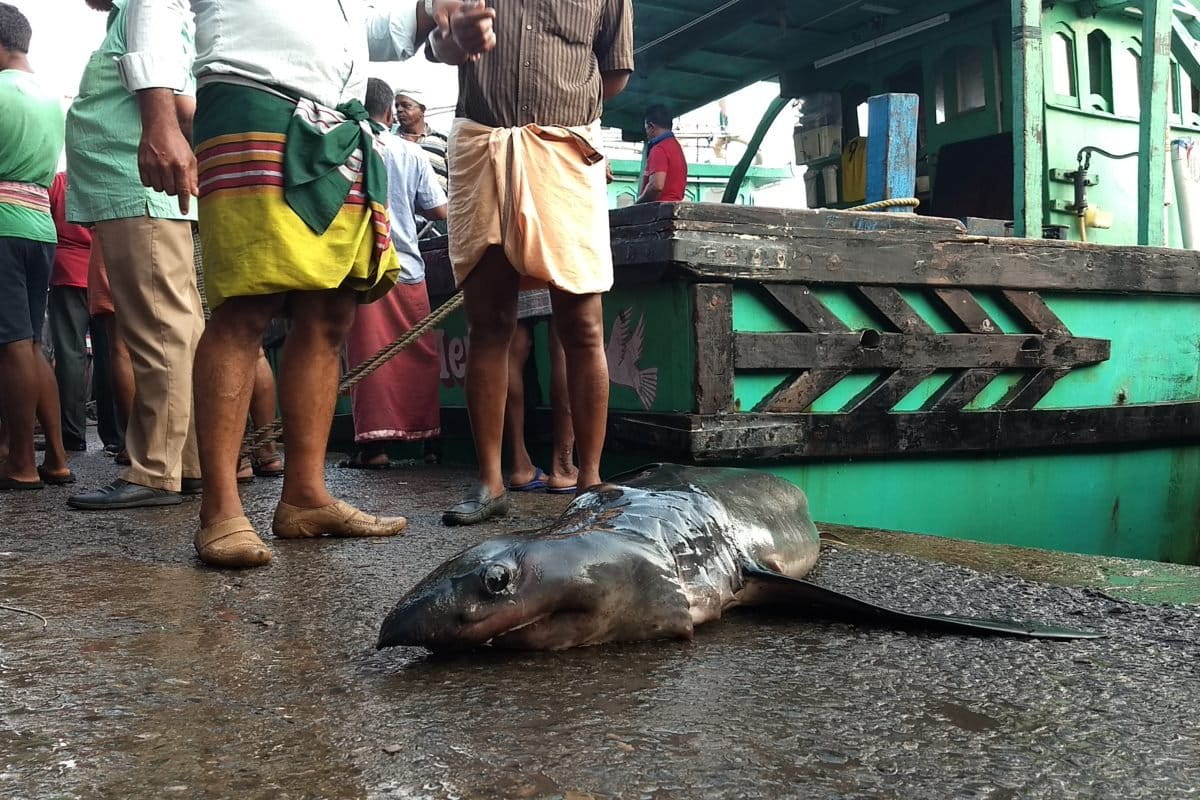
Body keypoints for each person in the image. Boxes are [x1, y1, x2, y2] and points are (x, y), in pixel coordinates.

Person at [123, 0, 488, 568]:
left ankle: (305, 496)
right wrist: (158, 116)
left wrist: (429, 18)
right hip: (250, 103)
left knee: (330, 314)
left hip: (336, 125)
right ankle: (220, 509)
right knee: (246, 306)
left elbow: (358, 26)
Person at [430, 0, 634, 525]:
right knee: (489, 324)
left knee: (583, 324)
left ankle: (589, 479)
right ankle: (490, 483)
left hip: (565, 151)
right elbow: (437, 46)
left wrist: (554, 114)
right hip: (483, 145)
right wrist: (453, 39)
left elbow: (613, 74)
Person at [65, 0, 205, 511]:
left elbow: (183, 102)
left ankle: (155, 470)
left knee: (158, 334)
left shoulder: (148, 12)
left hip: (139, 190)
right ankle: (184, 465)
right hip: (139, 193)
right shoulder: (135, 16)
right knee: (177, 331)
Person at [340, 78, 447, 470]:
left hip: (363, 268)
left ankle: (375, 448)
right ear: (388, 112)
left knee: (369, 359)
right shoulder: (411, 153)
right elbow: (439, 210)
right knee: (417, 355)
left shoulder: (345, 145)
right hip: (408, 266)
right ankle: (430, 441)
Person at [0, 4, 74, 490]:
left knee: (9, 346)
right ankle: (58, 458)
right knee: (30, 344)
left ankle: (21, 464)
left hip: (2, 224)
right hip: (39, 226)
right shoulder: (51, 96)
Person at [505, 289, 577, 494]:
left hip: (518, 262)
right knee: (562, 343)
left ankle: (519, 465)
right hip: (556, 262)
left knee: (513, 348)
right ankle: (563, 467)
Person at [47, 172, 95, 453]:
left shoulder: (60, 183)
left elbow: (49, 222)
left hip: (66, 272)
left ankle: (72, 434)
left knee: (69, 356)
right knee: (113, 355)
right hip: (104, 270)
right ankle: (117, 435)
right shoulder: (101, 179)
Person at [637, 104, 687, 204]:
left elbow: (656, 186)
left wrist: (637, 204)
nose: (646, 133)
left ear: (651, 126)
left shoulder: (659, 149)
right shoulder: (677, 148)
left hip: (659, 212)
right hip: (675, 208)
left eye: (646, 128)